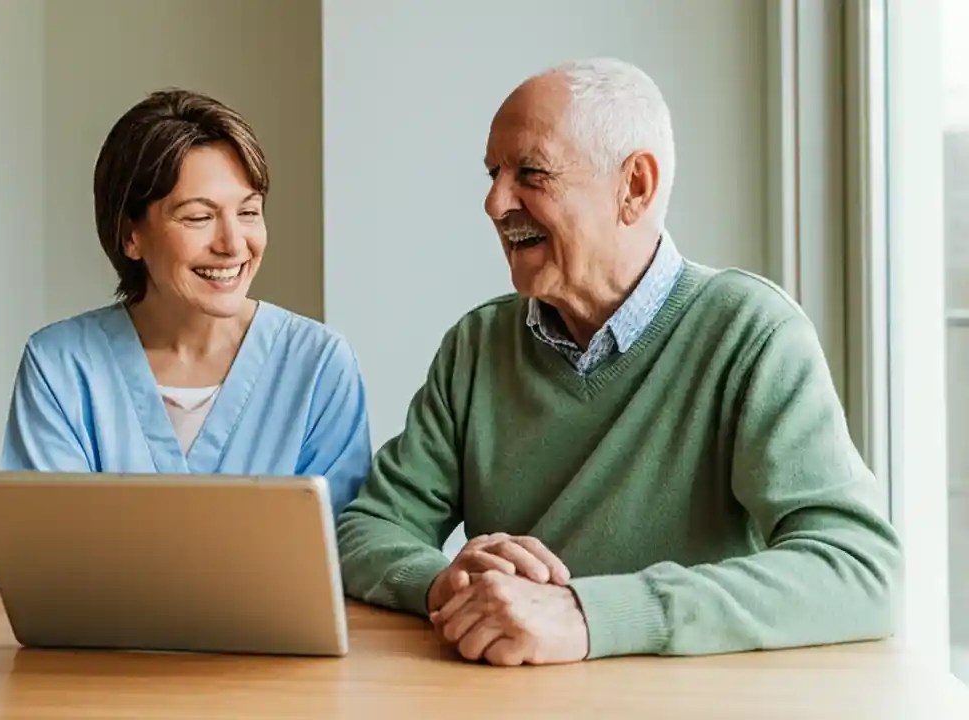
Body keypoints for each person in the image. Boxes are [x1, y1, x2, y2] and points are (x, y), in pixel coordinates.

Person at [336, 58, 901, 665]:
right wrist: (444, 582)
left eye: (531, 173)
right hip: (508, 695)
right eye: (494, 174)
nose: (495, 202)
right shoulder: (477, 344)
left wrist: (589, 614)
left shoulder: (752, 333)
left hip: (686, 700)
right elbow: (364, 529)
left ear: (635, 187)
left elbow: (858, 570)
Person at [0, 89, 372, 586]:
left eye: (248, 212)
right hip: (95, 639)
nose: (233, 244)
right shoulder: (61, 365)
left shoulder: (318, 364)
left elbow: (343, 560)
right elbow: (34, 564)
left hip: (272, 639)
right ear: (130, 235)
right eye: (199, 217)